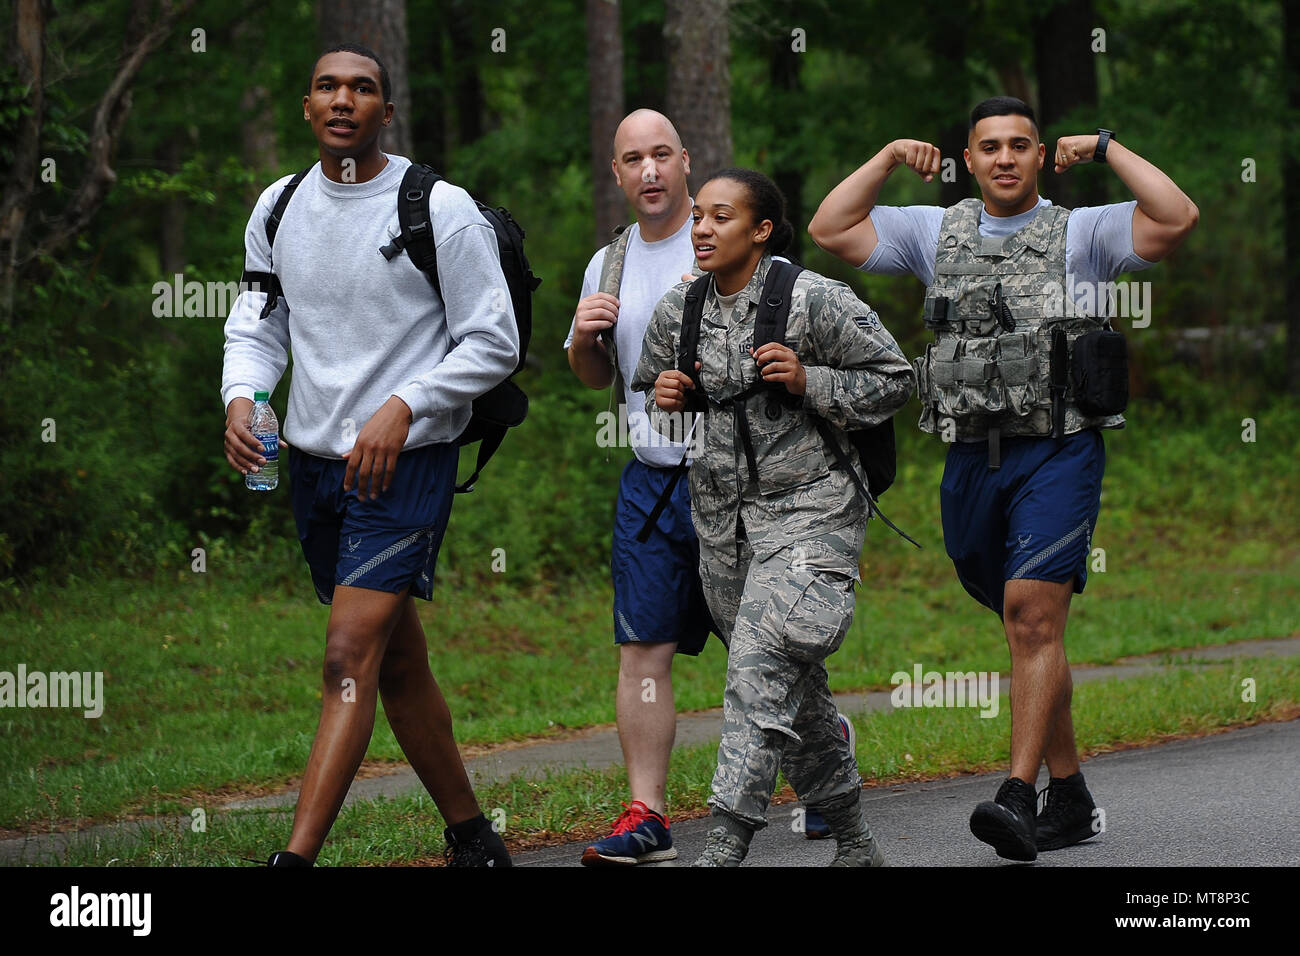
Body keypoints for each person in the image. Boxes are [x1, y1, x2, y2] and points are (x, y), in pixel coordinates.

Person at [808, 96, 1198, 861]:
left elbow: (1176, 215)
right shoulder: (934, 228)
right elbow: (831, 228)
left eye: (1021, 144)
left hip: (1060, 449)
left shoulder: (1082, 230)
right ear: (970, 156)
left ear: (1042, 152)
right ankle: (1073, 797)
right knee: (1026, 630)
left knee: (1032, 619)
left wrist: (1109, 147)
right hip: (969, 458)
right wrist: (889, 155)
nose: (1006, 158)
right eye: (990, 147)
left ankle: (1018, 795)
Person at [221, 43, 519, 867]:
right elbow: (258, 320)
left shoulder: (437, 207)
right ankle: (473, 837)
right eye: (327, 87)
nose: (344, 99)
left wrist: (406, 403)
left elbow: (495, 339)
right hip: (316, 465)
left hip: (407, 462)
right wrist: (243, 396)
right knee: (395, 660)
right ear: (308, 109)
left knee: (348, 653)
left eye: (364, 89)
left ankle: (295, 859)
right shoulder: (278, 207)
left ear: (386, 111)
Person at [631, 168, 915, 866]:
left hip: (814, 510)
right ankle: (857, 844)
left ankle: (722, 847)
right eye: (698, 215)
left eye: (720, 217)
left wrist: (810, 379)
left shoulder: (814, 299)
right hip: (723, 526)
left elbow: (896, 379)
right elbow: (654, 388)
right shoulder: (681, 310)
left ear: (761, 230)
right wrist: (670, 394)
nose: (701, 228)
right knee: (798, 694)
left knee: (755, 675)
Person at [565, 109, 714, 865]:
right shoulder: (608, 263)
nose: (650, 171)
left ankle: (827, 766)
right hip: (651, 482)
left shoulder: (721, 241)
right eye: (634, 160)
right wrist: (584, 339)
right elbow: (595, 377)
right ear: (617, 174)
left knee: (772, 646)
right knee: (643, 652)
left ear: (686, 161)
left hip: (736, 482)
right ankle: (647, 815)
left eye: (662, 155)